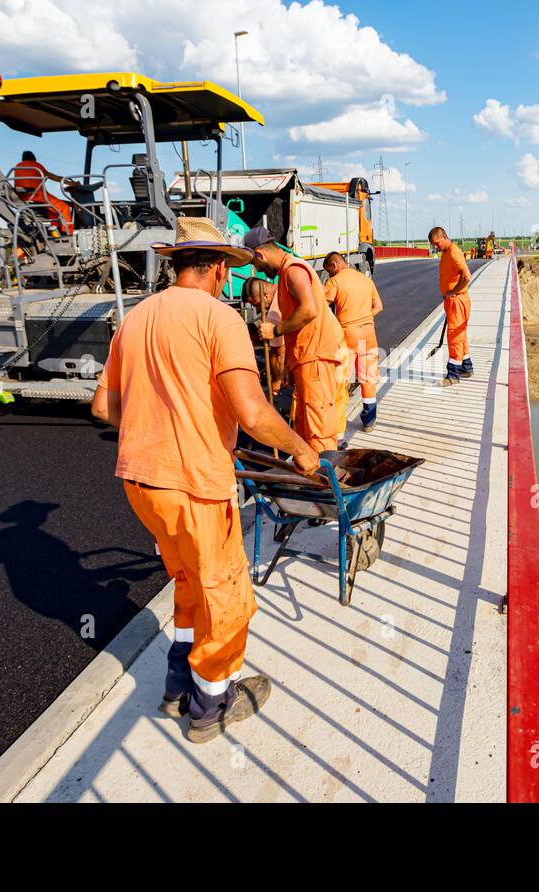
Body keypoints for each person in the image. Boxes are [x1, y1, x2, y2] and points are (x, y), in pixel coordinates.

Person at [91, 216, 319, 744]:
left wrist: (162, 424)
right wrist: (302, 449)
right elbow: (253, 412)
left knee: (190, 581)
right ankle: (212, 704)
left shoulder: (135, 318)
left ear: (177, 264)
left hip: (141, 480)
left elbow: (104, 406)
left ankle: (177, 685)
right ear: (218, 267)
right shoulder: (219, 320)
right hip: (195, 482)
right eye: (227, 272)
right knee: (226, 593)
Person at [243, 226, 347, 453]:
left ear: (260, 254)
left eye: (256, 264)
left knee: (319, 430)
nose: (257, 269)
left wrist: (275, 331)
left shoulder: (293, 270)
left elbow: (309, 311)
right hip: (306, 358)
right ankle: (313, 476)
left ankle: (326, 482)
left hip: (316, 358)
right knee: (305, 425)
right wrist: (291, 362)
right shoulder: (285, 274)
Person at [323, 252, 383, 431]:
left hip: (347, 334)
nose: (330, 275)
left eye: (329, 271)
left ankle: (338, 424)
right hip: (368, 332)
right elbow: (379, 306)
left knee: (341, 378)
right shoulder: (366, 280)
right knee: (368, 376)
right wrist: (363, 318)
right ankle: (369, 420)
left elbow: (323, 307)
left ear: (334, 266)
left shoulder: (334, 282)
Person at [429, 226, 473, 386]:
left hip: (457, 300)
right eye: (433, 244)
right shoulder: (447, 253)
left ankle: (453, 375)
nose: (435, 247)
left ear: (445, 237)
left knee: (454, 336)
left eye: (436, 243)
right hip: (454, 301)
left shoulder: (454, 252)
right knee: (460, 335)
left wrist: (452, 291)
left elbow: (467, 276)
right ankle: (466, 367)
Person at [10, 150, 74, 235]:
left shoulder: (17, 166)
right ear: (34, 158)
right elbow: (52, 176)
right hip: (38, 196)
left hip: (22, 197)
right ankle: (68, 234)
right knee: (64, 207)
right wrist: (71, 183)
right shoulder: (36, 165)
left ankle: (55, 233)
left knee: (53, 212)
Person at [243, 277, 287, 390]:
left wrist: (276, 381)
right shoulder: (284, 288)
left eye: (257, 304)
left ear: (265, 295)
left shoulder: (273, 314)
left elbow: (279, 355)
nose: (257, 309)